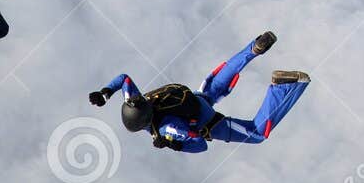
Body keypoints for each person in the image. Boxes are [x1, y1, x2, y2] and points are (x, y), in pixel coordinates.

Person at [91, 31, 309, 153]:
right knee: (223, 77)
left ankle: (283, 87)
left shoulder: (167, 127)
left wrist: (172, 144)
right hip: (198, 97)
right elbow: (124, 79)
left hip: (209, 122)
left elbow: (200, 144)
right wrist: (105, 93)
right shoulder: (137, 100)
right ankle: (253, 48)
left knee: (257, 134)